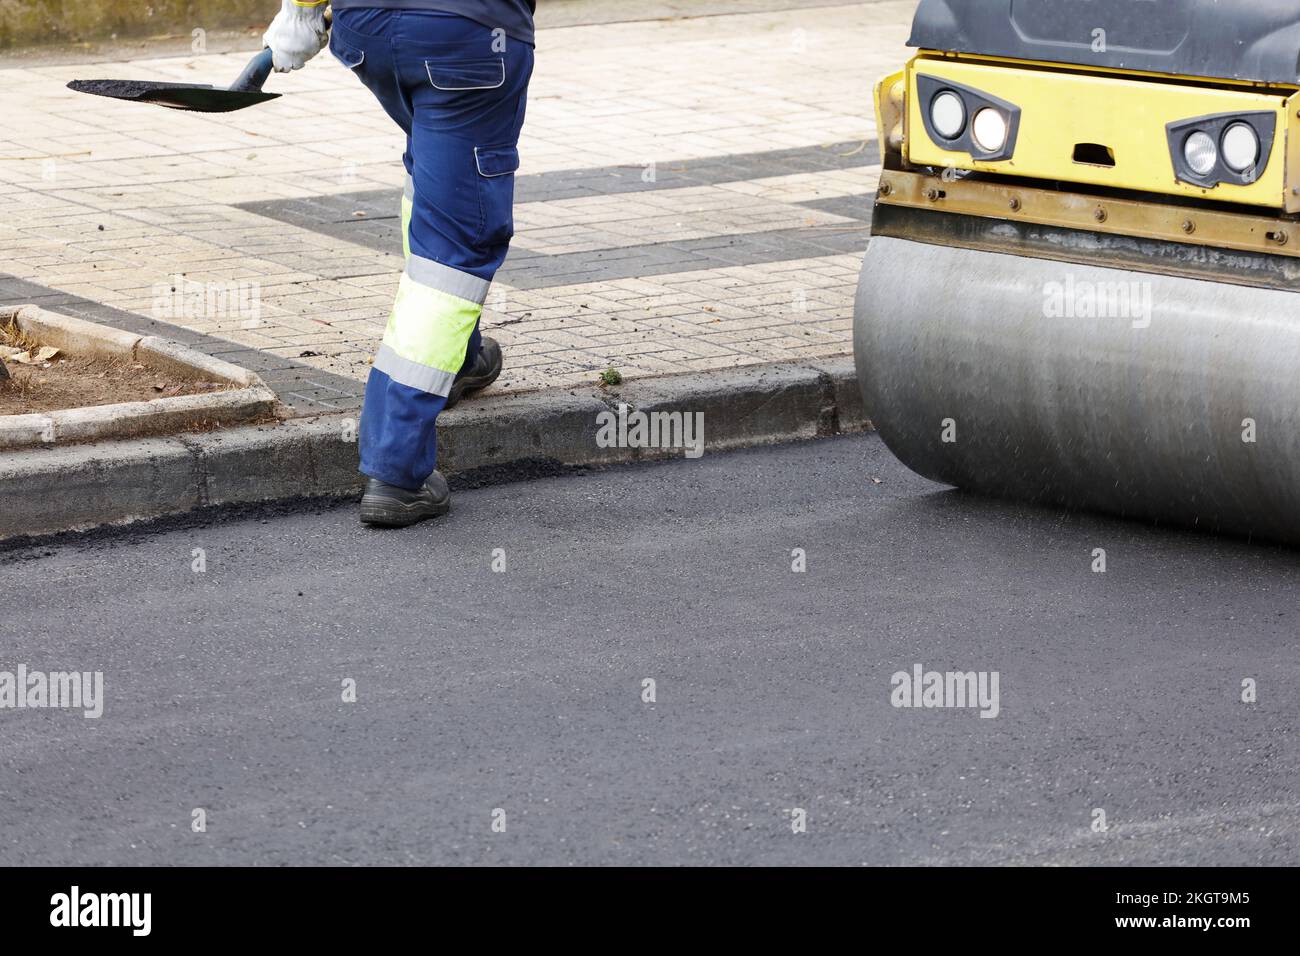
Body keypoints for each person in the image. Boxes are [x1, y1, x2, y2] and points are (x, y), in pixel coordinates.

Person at [263, 0, 536, 527]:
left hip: (370, 32)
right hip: (465, 34)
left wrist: (299, 10)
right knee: (454, 252)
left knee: (442, 170)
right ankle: (398, 470)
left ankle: (462, 356)